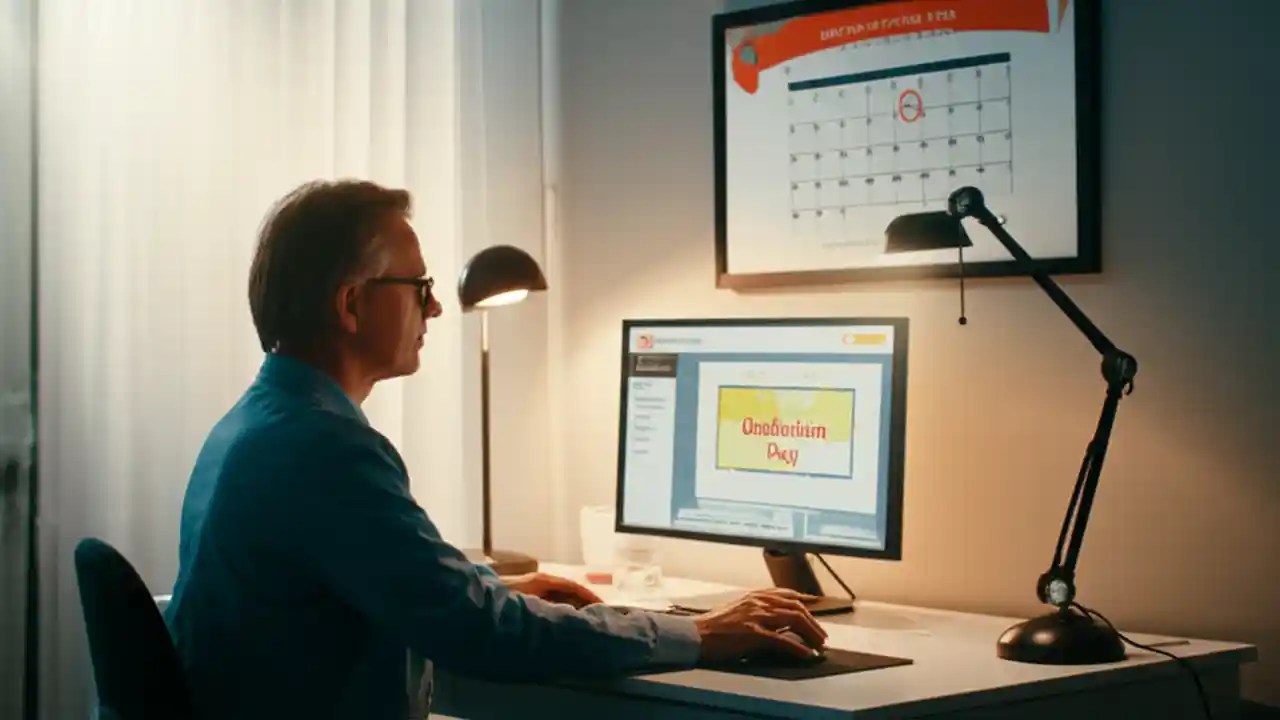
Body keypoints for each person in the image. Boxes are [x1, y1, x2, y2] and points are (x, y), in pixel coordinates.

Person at [165, 180, 827, 719]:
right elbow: (481, 634)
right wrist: (698, 633)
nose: (436, 311)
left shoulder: (256, 423)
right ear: (350, 305)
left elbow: (396, 586)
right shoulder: (322, 447)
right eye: (420, 289)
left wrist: (490, 585)